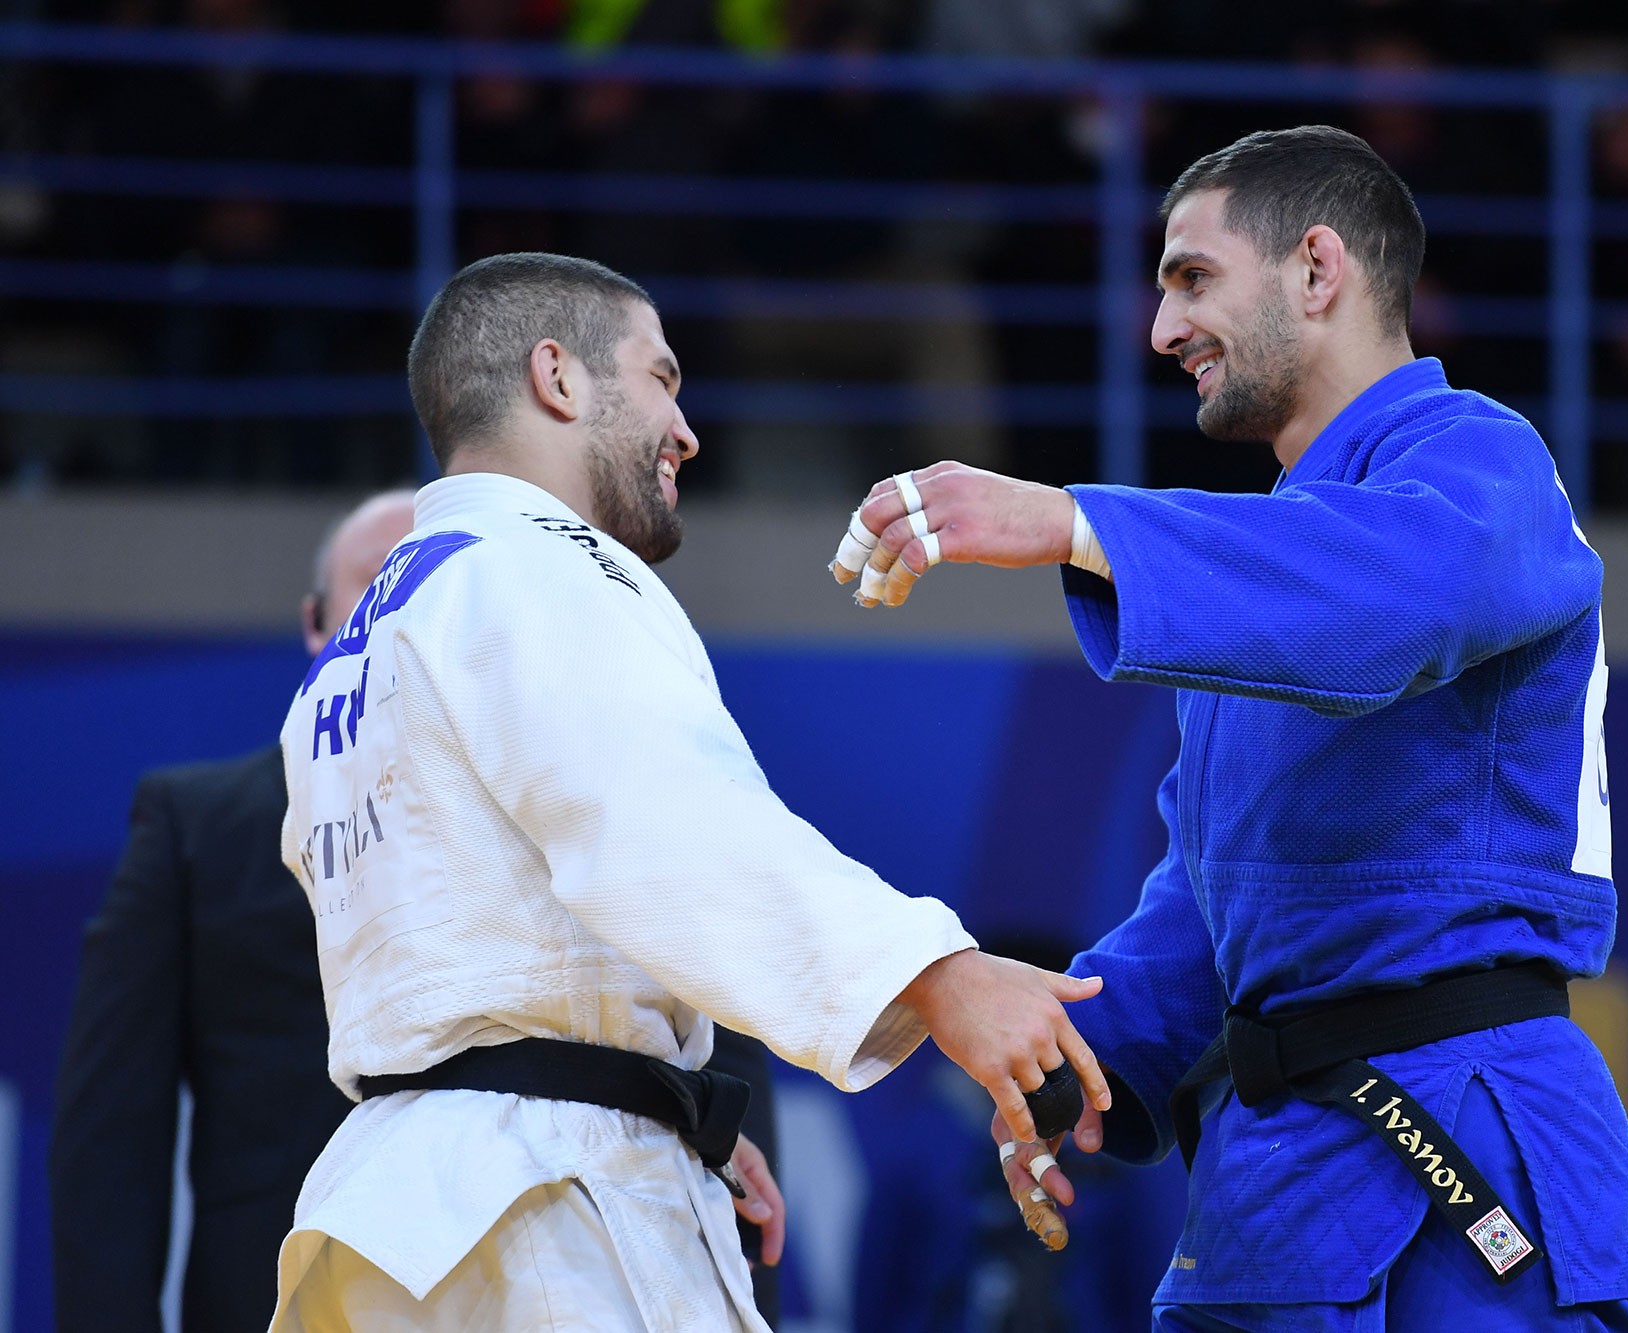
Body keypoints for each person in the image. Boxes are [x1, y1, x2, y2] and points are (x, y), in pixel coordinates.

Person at [834, 126, 1628, 1329]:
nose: (1161, 331)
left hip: (1461, 1129)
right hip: (1274, 1184)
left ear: (1316, 271)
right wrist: (1063, 1073)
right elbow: (1214, 901)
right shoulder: (1271, 570)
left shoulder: (1481, 465)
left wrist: (1073, 519)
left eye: (1190, 278)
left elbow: (1393, 601)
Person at [268, 251, 1111, 1332]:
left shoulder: (365, 639)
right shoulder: (538, 564)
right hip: (537, 1214)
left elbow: (472, 943)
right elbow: (665, 827)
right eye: (661, 378)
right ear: (558, 380)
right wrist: (939, 977)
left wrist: (671, 1101)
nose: (686, 429)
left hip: (398, 1209)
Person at [48, 490, 415, 1333]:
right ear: (316, 623)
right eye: (377, 583)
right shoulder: (196, 828)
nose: (408, 609)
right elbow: (109, 1142)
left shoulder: (564, 818)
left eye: (436, 582)